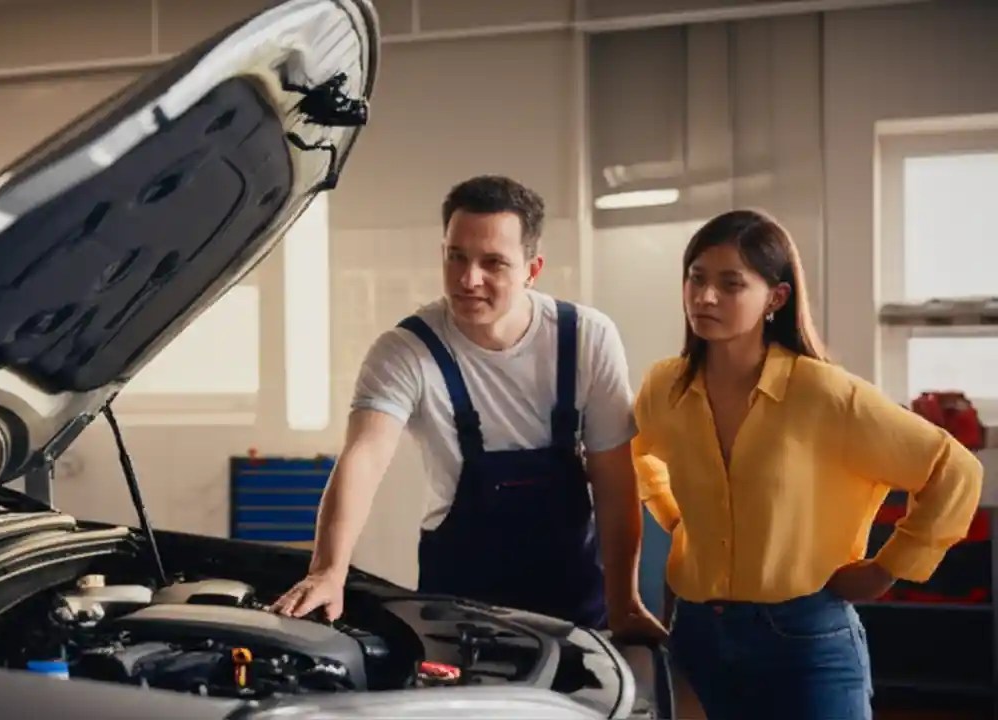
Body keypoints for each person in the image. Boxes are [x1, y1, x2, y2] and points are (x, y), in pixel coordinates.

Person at [269, 174, 666, 640]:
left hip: (573, 601)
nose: (467, 279)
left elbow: (615, 480)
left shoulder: (586, 338)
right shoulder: (406, 350)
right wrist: (329, 570)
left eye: (492, 263)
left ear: (532, 270)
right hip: (458, 600)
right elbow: (365, 457)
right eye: (456, 256)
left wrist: (626, 602)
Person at [631, 209, 984, 719]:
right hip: (698, 634)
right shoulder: (664, 386)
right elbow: (634, 454)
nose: (705, 297)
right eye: (696, 278)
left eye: (730, 284)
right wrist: (678, 520)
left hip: (804, 637)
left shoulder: (822, 393)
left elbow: (954, 469)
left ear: (775, 297)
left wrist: (887, 568)